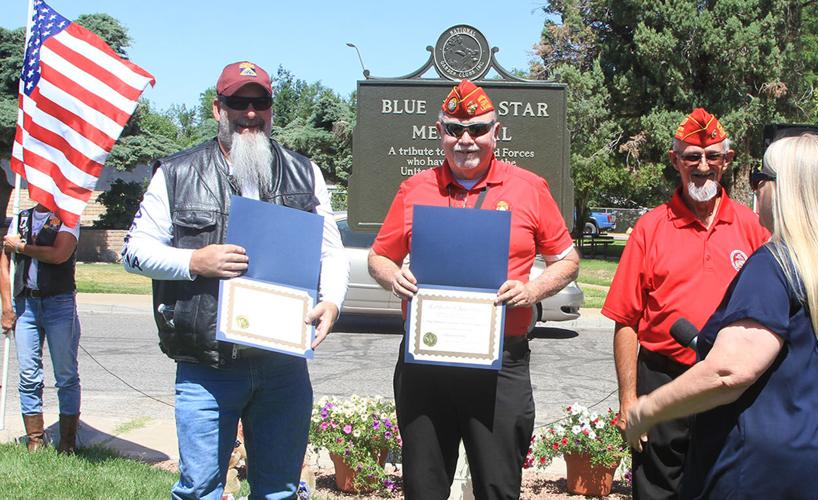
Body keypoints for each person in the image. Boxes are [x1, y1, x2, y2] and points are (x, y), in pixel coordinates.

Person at [625, 134, 818, 498]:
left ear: (784, 189)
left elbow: (729, 372)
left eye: (760, 178)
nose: (755, 188)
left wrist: (648, 409)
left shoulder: (775, 265)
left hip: (787, 476)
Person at [122, 61, 348, 499]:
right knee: (199, 489)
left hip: (282, 365)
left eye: (259, 102)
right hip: (207, 365)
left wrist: (332, 301)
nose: (249, 113)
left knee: (279, 489)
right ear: (217, 109)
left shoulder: (305, 173)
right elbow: (133, 252)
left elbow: (330, 251)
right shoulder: (176, 173)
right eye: (237, 103)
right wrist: (194, 261)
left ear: (271, 108)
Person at [367, 79, 579, 499]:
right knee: (423, 488)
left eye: (478, 129)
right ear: (439, 132)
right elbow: (379, 257)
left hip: (500, 364)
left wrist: (532, 290)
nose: (466, 140)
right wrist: (393, 277)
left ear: (496, 132)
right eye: (455, 129)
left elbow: (568, 261)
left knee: (498, 487)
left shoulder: (530, 187)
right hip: (427, 364)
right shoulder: (414, 189)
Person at [601, 108, 768, 498]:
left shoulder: (754, 228)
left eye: (712, 156)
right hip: (663, 379)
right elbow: (626, 319)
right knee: (658, 490)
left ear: (727, 160)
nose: (703, 166)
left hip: (727, 384)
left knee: (724, 488)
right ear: (675, 160)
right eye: (692, 156)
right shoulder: (650, 228)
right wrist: (628, 399)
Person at [0, 204, 81, 453]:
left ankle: (67, 442)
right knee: (28, 374)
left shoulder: (68, 216)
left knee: (66, 375)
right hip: (25, 303)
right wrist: (7, 305)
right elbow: (5, 262)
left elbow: (59, 254)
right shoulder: (21, 218)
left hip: (59, 303)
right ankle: (35, 439)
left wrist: (21, 247)